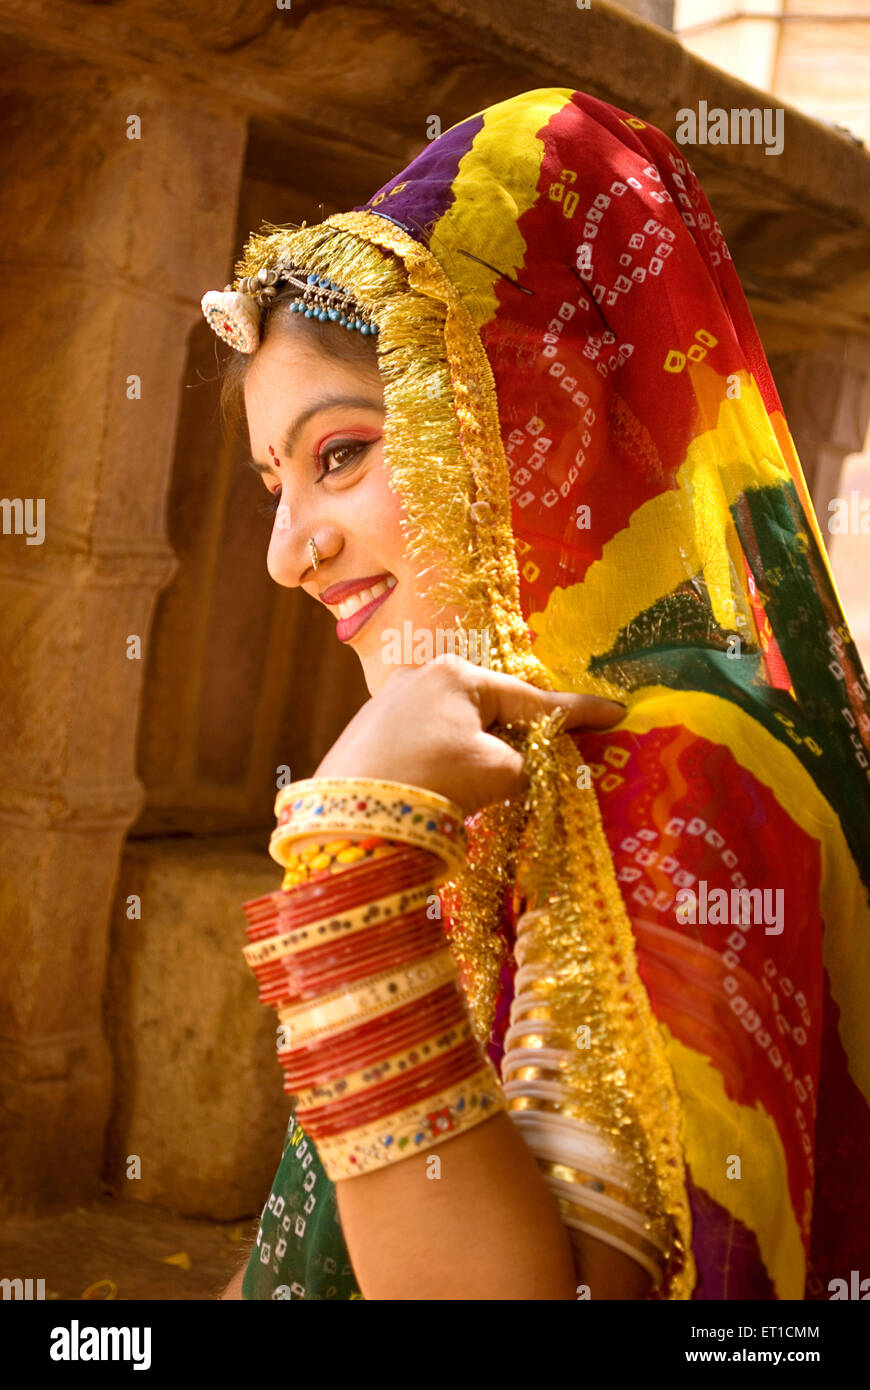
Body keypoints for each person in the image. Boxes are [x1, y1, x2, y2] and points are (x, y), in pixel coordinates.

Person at [201, 88, 870, 1301]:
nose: (286, 550)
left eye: (340, 454)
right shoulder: (508, 743)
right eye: (271, 484)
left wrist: (355, 864)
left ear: (523, 416)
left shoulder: (682, 767)